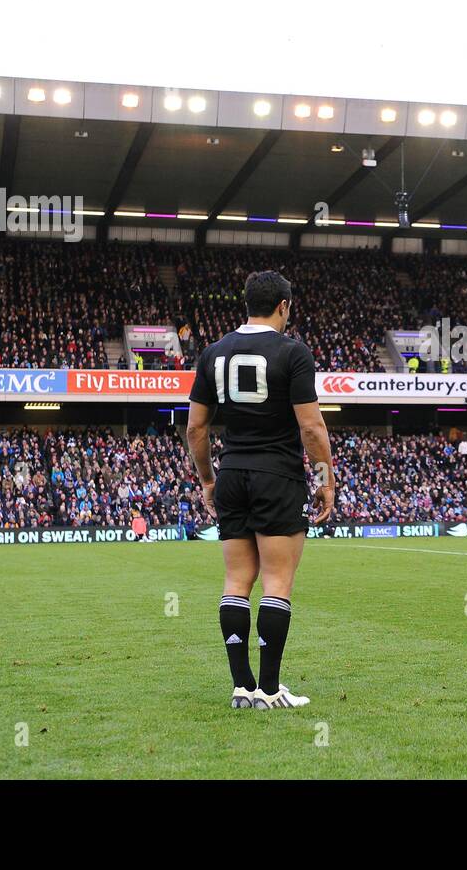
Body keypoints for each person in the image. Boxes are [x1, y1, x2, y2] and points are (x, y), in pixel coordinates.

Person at [187, 270, 335, 711]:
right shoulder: (293, 352)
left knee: (236, 581)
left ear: (246, 304)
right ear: (284, 306)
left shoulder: (213, 352)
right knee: (276, 584)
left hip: (232, 474)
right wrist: (325, 480)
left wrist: (208, 480)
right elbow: (311, 426)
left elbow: (196, 427)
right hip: (278, 476)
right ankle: (269, 689)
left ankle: (242, 687)